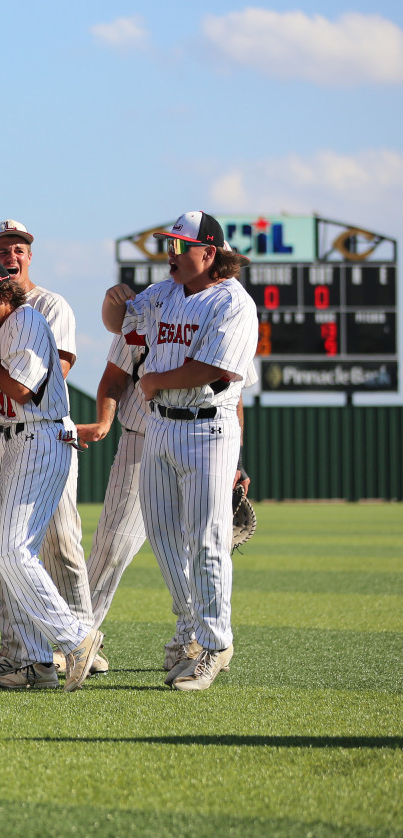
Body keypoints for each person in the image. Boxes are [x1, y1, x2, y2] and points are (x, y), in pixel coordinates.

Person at [101, 210, 258, 691]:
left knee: (208, 539)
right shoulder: (164, 292)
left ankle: (215, 644)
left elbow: (217, 370)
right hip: (160, 427)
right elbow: (118, 324)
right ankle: (192, 630)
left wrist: (152, 380)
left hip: (208, 427)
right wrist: (112, 303)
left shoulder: (233, 302)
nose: (169, 255)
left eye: (178, 247)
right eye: (167, 246)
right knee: (165, 537)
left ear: (209, 253)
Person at [0, 274, 104, 691]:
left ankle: (76, 638)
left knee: (14, 550)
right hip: (19, 439)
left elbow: (22, 388)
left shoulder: (27, 318)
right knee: (15, 553)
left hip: (41, 436)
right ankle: (36, 662)